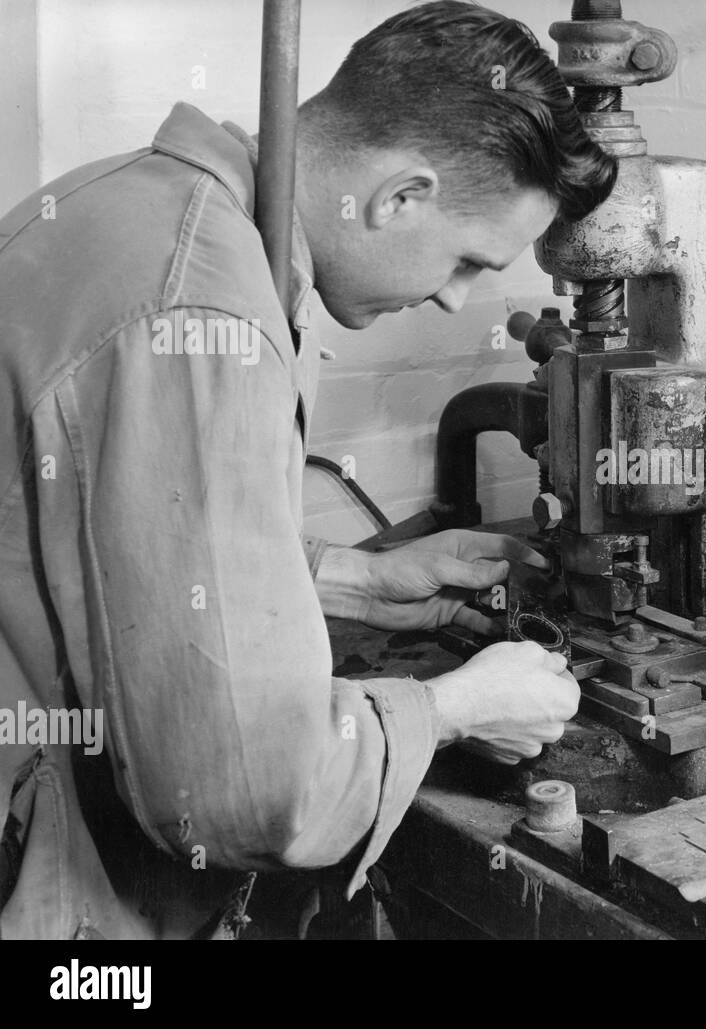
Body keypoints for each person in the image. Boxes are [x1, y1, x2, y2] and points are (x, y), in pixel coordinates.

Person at [0, 1, 616, 939]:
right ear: (400, 196)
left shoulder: (146, 209)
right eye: (465, 259)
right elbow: (243, 789)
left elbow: (117, 556)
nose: (456, 296)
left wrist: (359, 580)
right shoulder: (205, 319)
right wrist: (452, 707)